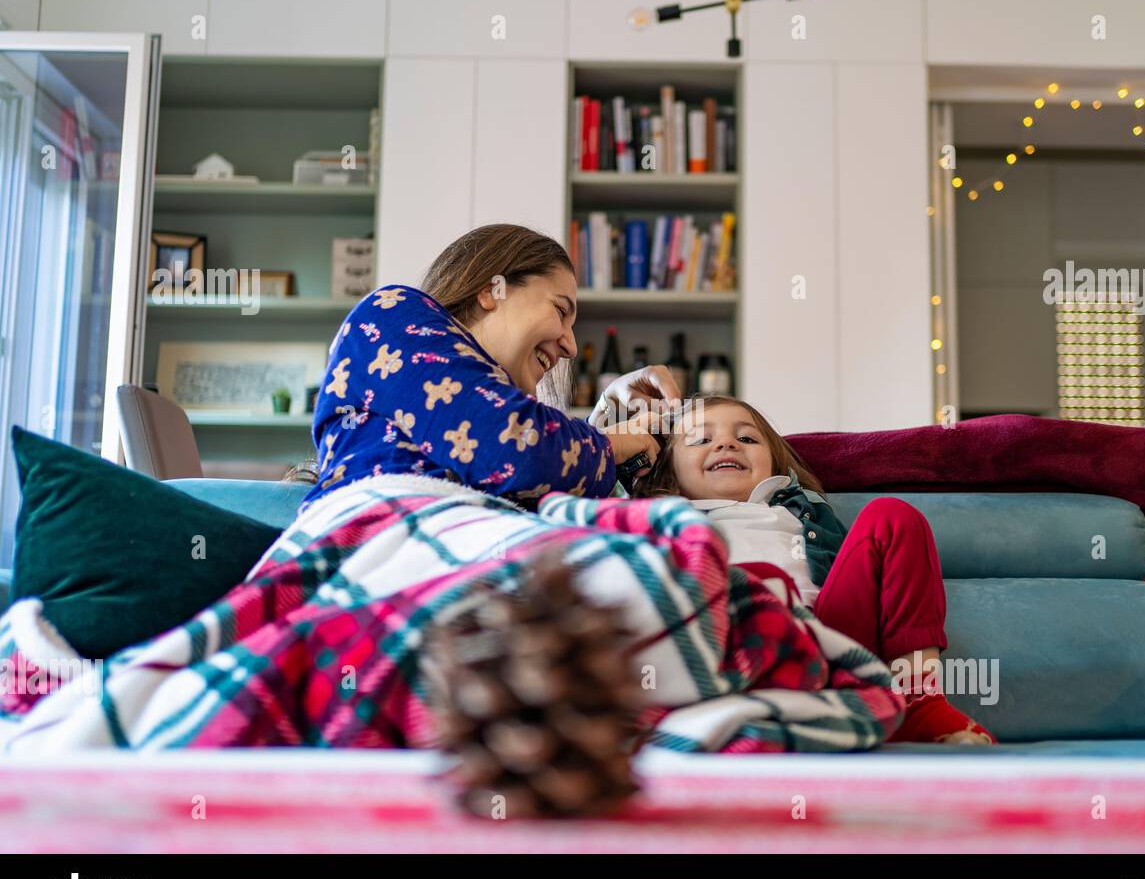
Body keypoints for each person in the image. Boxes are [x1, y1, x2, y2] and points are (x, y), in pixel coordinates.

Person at [631, 394, 996, 744]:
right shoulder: (661, 517)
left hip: (830, 637)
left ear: (774, 463)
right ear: (668, 472)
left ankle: (916, 699)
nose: (727, 445)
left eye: (746, 437)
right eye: (701, 439)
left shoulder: (801, 508)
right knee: (754, 578)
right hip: (735, 641)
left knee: (894, 516)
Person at [299, 224, 679, 511]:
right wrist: (612, 442)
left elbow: (537, 465)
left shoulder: (488, 416)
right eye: (560, 311)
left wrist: (606, 424)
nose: (571, 345)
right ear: (490, 289)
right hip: (376, 540)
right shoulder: (391, 313)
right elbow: (512, 446)